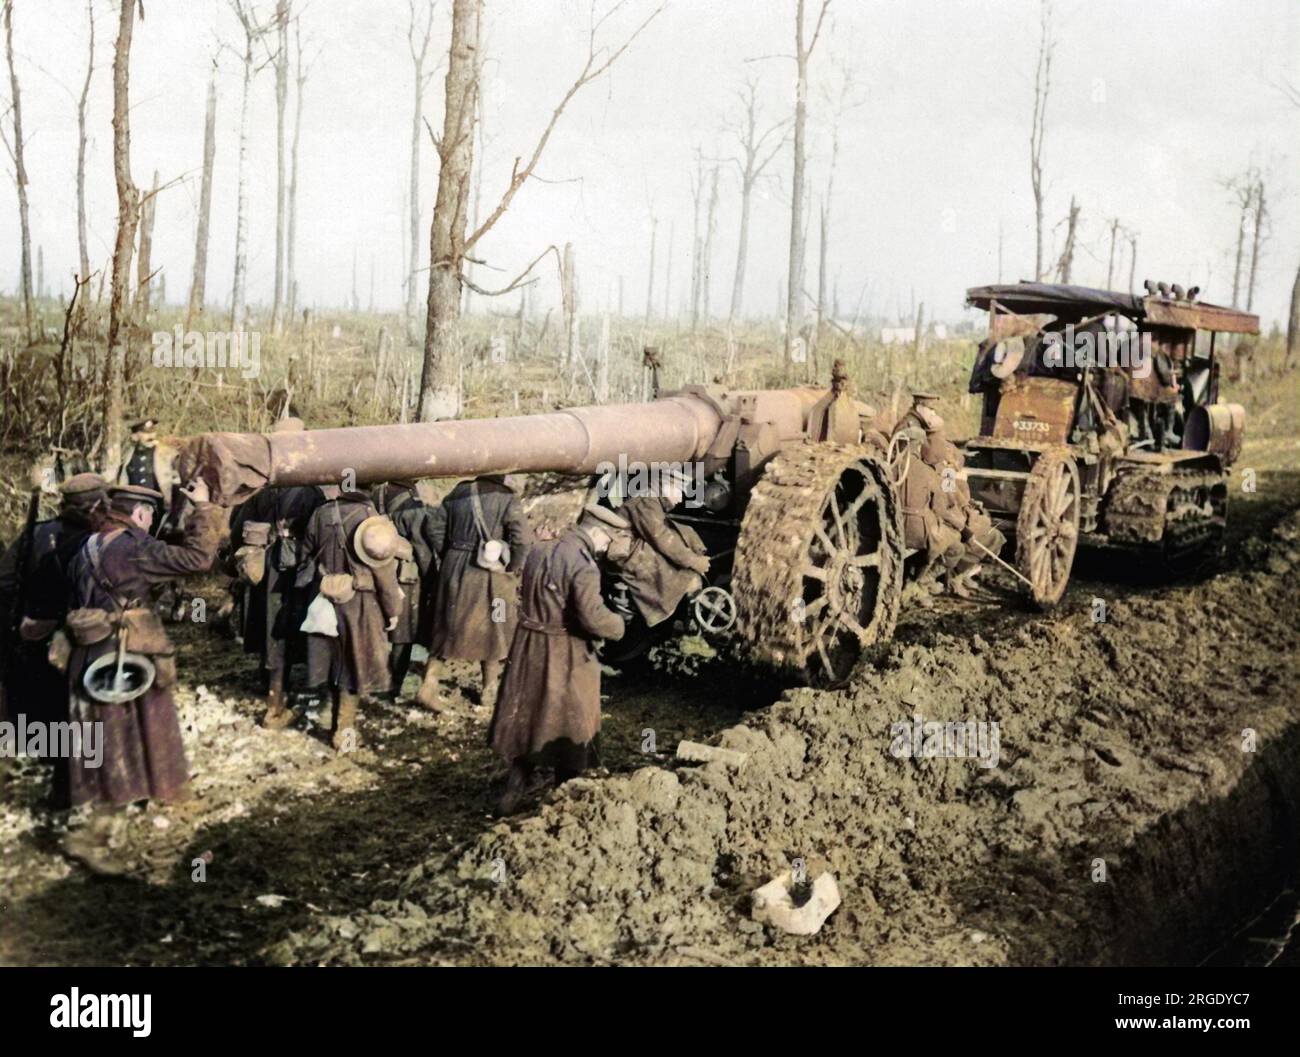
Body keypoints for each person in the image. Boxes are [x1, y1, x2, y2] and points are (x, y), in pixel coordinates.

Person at [60, 479, 222, 874]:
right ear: (140, 514)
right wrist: (203, 508)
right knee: (143, 725)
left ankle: (137, 800)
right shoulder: (134, 546)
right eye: (148, 517)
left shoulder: (85, 547)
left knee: (108, 735)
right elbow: (198, 559)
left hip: (90, 650)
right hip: (128, 652)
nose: (149, 524)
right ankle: (101, 834)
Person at [489, 507, 626, 815]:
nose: (607, 546)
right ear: (596, 532)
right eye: (609, 538)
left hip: (528, 645)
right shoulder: (584, 565)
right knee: (571, 724)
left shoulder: (540, 549)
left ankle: (512, 793)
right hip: (564, 651)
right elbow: (592, 618)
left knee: (530, 717)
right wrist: (618, 625)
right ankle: (563, 798)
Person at [0, 472, 109, 807]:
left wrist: (21, 622)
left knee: (44, 708)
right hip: (77, 638)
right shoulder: (97, 542)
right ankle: (70, 789)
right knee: (79, 711)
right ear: (96, 506)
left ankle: (54, 778)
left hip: (33, 634)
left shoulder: (35, 533)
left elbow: (5, 581)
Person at [296, 490, 404, 750]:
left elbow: (305, 555)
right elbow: (384, 572)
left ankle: (333, 718)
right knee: (353, 669)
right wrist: (393, 609)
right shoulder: (371, 519)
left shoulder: (321, 513)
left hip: (325, 597)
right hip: (361, 605)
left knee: (334, 664)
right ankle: (344, 731)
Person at [418, 474, 533, 711]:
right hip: (490, 571)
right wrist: (511, 567)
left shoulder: (458, 492)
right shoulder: (506, 497)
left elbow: (434, 527)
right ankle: (489, 692)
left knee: (446, 626)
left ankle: (428, 685)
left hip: (454, 566)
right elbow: (522, 540)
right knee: (495, 626)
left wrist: (451, 553)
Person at [370, 481, 445, 698]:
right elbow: (422, 550)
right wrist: (432, 580)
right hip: (404, 577)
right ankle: (392, 686)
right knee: (402, 634)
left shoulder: (376, 496)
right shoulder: (412, 507)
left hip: (375, 569)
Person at [610, 471, 710, 627]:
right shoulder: (645, 501)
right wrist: (693, 561)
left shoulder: (650, 501)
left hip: (629, 547)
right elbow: (661, 538)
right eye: (679, 491)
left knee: (683, 531)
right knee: (667, 567)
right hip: (624, 553)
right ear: (664, 485)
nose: (680, 498)